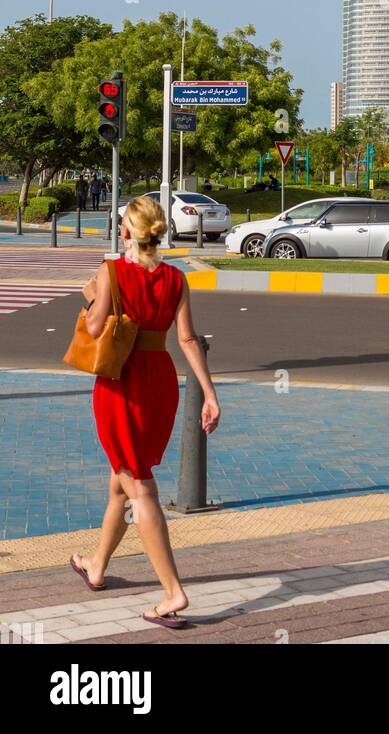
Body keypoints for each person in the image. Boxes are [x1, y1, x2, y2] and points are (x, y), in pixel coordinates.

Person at [69, 196, 221, 629]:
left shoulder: (111, 271)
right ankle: (97, 566)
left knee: (138, 486)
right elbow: (187, 339)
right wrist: (209, 393)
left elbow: (94, 327)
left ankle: (173, 592)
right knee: (122, 480)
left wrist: (91, 297)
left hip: (121, 383)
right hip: (160, 382)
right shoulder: (176, 278)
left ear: (125, 231)